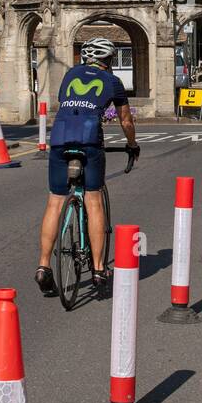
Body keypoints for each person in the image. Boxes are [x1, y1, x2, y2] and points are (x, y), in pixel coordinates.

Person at [35, 37, 139, 296]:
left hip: (59, 138)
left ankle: (43, 267)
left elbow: (66, 103)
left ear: (84, 58)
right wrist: (132, 144)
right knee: (94, 201)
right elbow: (125, 119)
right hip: (90, 140)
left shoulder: (70, 74)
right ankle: (99, 269)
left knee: (54, 203)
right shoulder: (113, 82)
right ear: (110, 60)